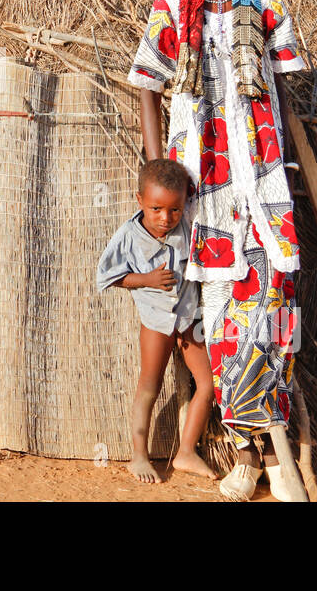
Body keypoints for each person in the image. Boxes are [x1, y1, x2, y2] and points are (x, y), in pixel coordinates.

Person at [128, 0, 306, 501]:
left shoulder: (270, 6)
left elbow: (280, 86)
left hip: (262, 185)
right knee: (221, 322)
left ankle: (277, 458)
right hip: (203, 195)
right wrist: (161, 173)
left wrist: (280, 154)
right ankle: (247, 454)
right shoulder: (171, 12)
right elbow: (149, 88)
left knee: (275, 315)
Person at [96, 158, 215, 484]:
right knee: (149, 386)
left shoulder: (187, 228)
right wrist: (146, 279)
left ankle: (186, 452)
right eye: (156, 209)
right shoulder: (129, 236)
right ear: (140, 202)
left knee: (207, 383)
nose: (166, 218)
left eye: (174, 210)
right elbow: (107, 277)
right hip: (156, 321)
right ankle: (139, 456)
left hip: (189, 318)